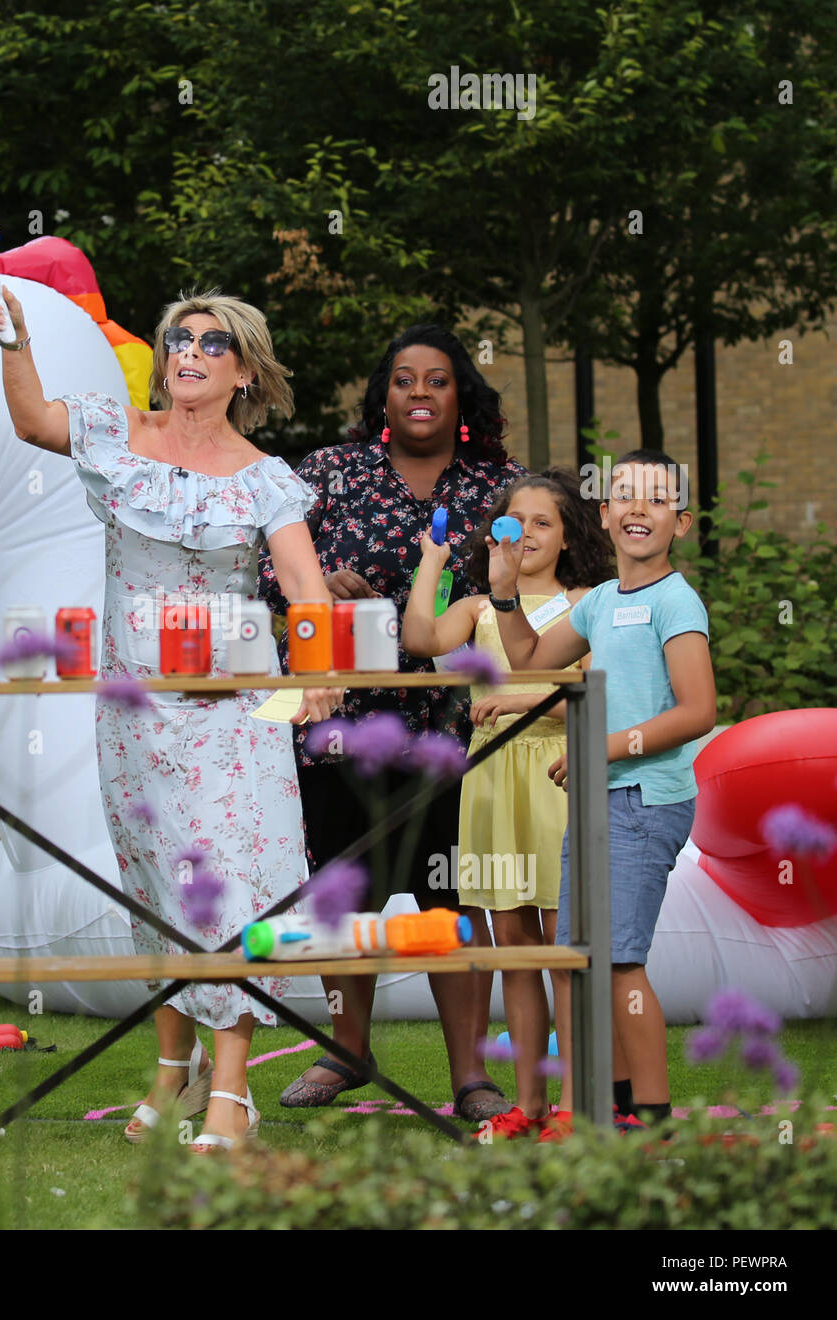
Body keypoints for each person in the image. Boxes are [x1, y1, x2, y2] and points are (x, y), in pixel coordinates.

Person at [0, 280, 342, 1152]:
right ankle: (171, 1077)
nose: (188, 352)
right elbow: (32, 419)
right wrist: (12, 338)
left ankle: (231, 1097)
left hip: (228, 714)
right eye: (179, 338)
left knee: (225, 892)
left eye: (212, 344)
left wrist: (319, 673)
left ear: (245, 373)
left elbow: (303, 586)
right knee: (155, 893)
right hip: (133, 712)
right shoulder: (119, 434)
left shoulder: (265, 482)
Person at [258, 323, 526, 1122]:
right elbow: (269, 559)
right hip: (340, 713)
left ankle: (471, 1075)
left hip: (459, 723)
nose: (418, 393)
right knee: (347, 890)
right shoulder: (330, 474)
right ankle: (347, 1052)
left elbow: (534, 575)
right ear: (383, 395)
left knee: (453, 897)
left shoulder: (497, 486)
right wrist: (309, 583)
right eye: (404, 379)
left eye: (436, 380)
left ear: (460, 397)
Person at [487, 450, 716, 1137]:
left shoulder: (675, 602)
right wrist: (502, 595)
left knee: (618, 962)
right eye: (626, 496)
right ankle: (609, 1112)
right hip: (597, 803)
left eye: (656, 498)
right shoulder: (604, 603)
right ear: (606, 514)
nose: (638, 508)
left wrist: (599, 749)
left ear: (681, 521)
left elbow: (697, 711)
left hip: (644, 801)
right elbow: (527, 659)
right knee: (587, 961)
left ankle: (652, 1122)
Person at [403, 469, 612, 1134]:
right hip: (490, 781)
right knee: (512, 943)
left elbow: (587, 684)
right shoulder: (477, 606)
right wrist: (431, 564)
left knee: (561, 940)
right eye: (513, 520)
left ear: (569, 538)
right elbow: (419, 640)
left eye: (542, 522)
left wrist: (523, 701)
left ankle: (579, 1103)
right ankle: (531, 1103)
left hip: (553, 776)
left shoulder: (586, 601)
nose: (524, 533)